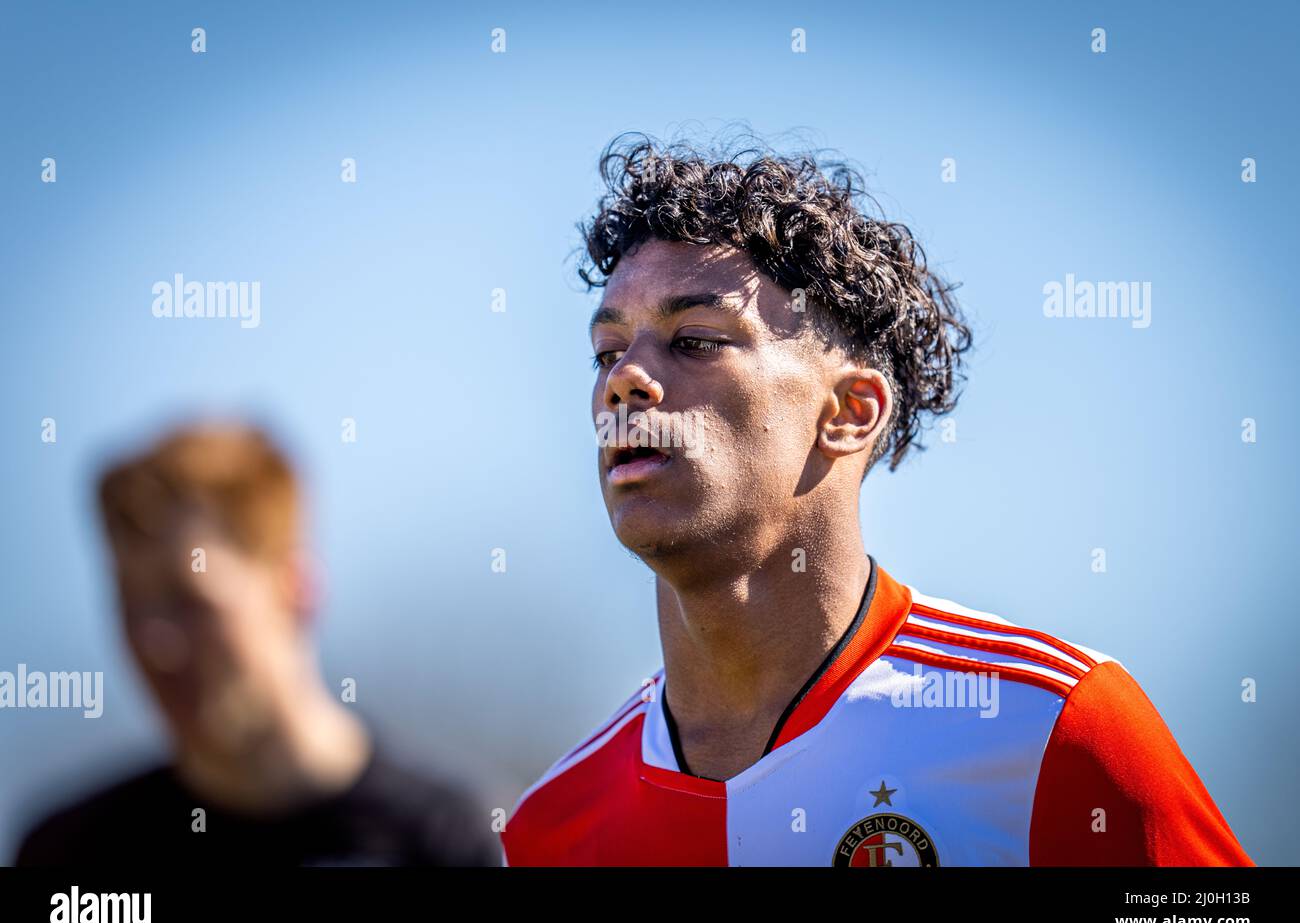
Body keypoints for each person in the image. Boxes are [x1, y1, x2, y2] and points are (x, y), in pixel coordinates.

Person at [502, 135, 1252, 866]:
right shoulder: (547, 829)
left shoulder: (1058, 729)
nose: (624, 380)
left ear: (850, 411)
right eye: (607, 351)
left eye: (694, 339)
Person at [16, 423, 497, 866]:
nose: (155, 643)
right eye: (131, 605)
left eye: (191, 603)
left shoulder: (444, 838)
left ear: (295, 591)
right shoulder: (72, 852)